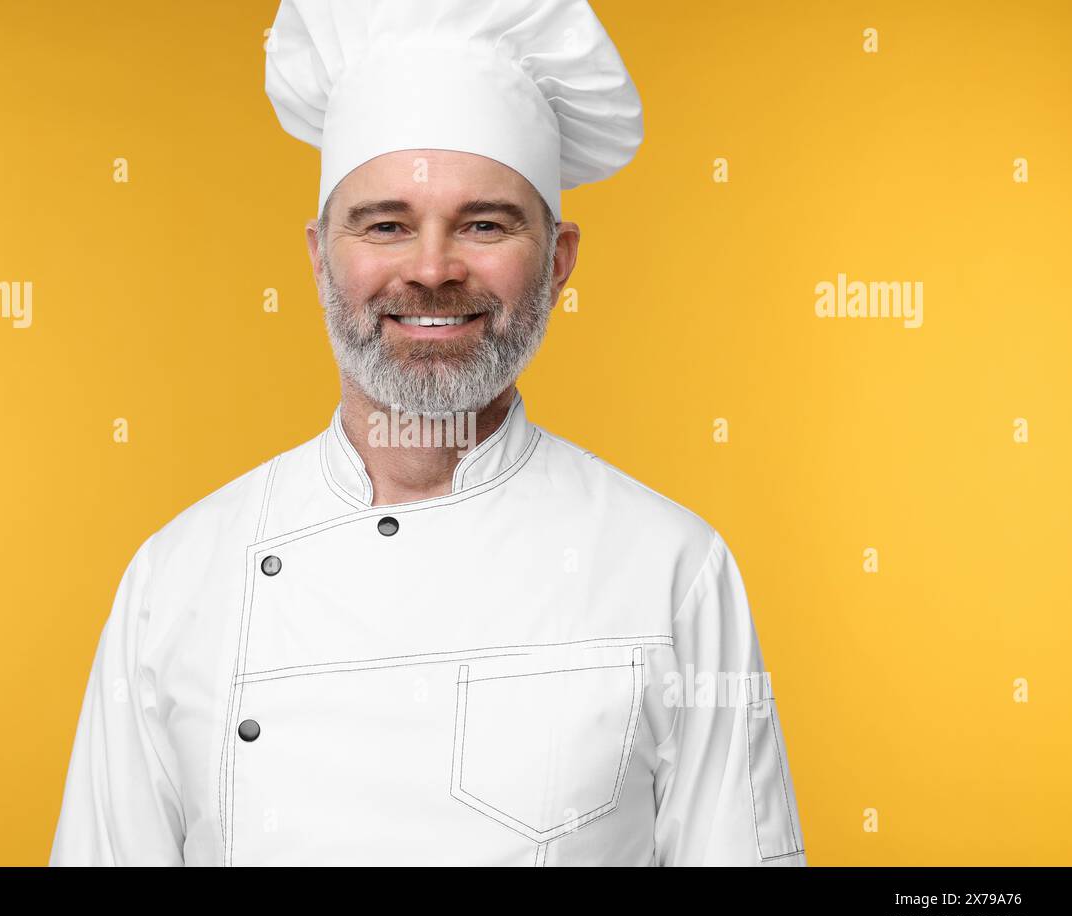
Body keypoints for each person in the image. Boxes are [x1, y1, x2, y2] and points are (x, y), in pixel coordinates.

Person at [48, 0, 806, 866]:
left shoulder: (673, 569)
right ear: (319, 255)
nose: (433, 268)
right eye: (386, 224)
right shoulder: (176, 580)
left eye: (485, 223)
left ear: (557, 260)